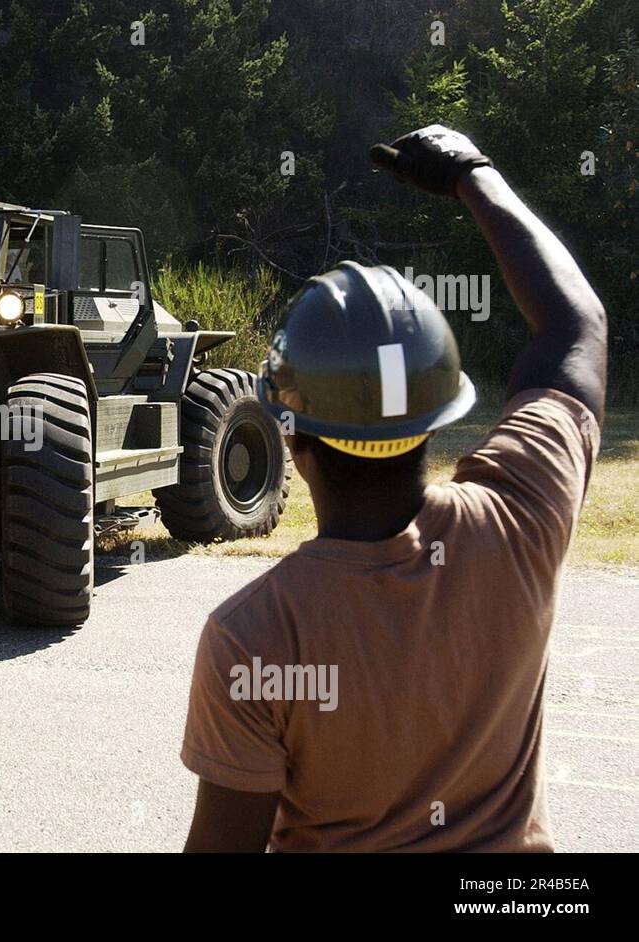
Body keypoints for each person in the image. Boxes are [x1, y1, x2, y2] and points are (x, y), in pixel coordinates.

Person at [180, 125, 607, 852]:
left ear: (291, 433)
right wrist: (473, 173)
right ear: (438, 416)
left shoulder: (253, 638)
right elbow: (576, 325)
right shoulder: (522, 518)